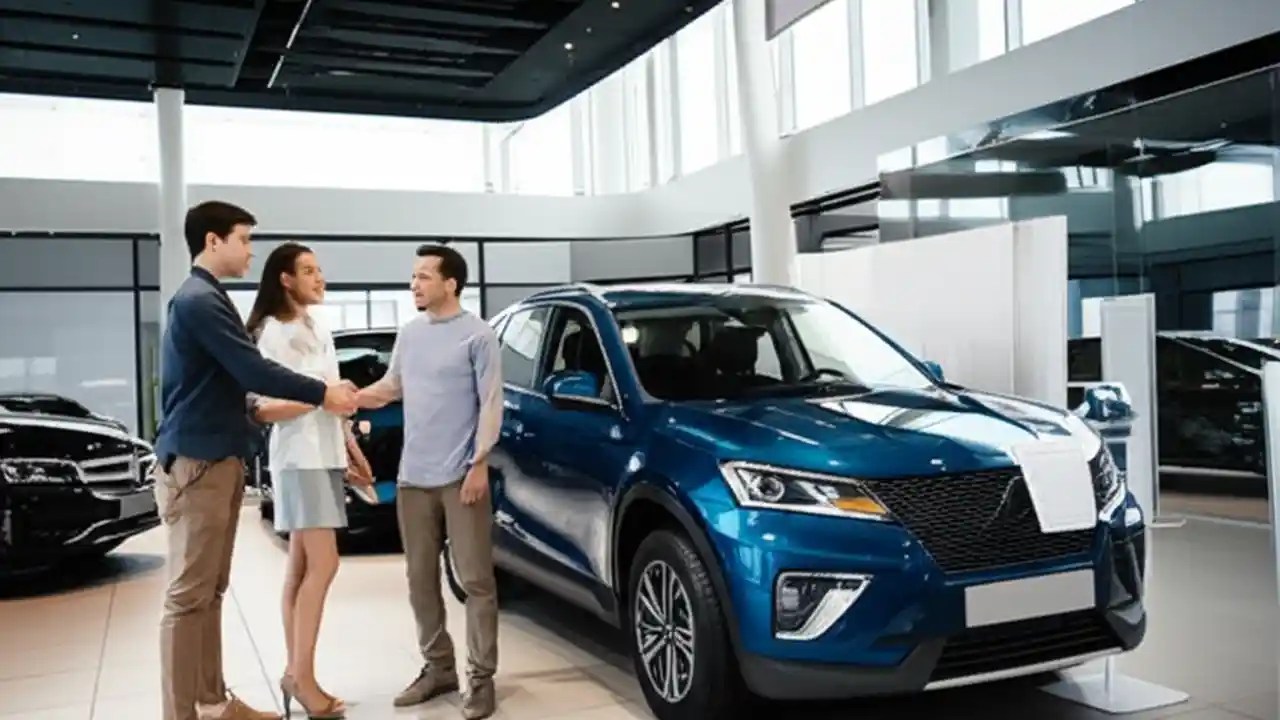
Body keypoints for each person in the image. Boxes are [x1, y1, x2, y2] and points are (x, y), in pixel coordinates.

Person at [153, 201, 359, 720]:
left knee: (211, 591)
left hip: (219, 457)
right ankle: (184, 712)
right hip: (197, 461)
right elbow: (251, 370)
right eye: (244, 240)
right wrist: (322, 394)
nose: (250, 251)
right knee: (187, 598)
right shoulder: (199, 300)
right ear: (213, 241)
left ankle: (212, 700)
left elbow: (234, 381)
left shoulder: (211, 298)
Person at [354, 244, 502, 720]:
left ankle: (481, 678)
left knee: (476, 579)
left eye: (423, 276)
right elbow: (392, 386)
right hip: (413, 478)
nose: (414, 285)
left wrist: (479, 463)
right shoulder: (411, 335)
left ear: (450, 283)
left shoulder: (478, 336)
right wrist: (343, 397)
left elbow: (491, 403)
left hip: (461, 475)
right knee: (420, 580)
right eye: (413, 277)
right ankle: (439, 668)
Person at [243, 242, 374, 720]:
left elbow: (335, 400)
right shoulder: (273, 333)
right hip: (297, 459)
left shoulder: (318, 326)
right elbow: (266, 407)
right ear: (285, 279)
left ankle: (298, 673)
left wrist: (352, 452)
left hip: (324, 456)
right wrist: (322, 399)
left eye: (319, 270)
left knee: (301, 569)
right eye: (308, 271)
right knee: (324, 565)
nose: (320, 278)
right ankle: (302, 677)